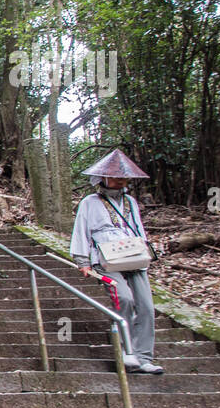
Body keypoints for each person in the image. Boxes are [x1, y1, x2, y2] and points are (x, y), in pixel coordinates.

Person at [69, 148, 162, 375]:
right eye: (116, 176)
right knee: (123, 299)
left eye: (124, 177)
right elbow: (82, 230)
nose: (121, 181)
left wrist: (146, 251)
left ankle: (144, 356)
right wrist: (82, 260)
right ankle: (126, 351)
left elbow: (138, 229)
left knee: (147, 307)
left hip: (133, 257)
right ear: (103, 178)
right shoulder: (90, 203)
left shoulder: (130, 202)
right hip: (106, 259)